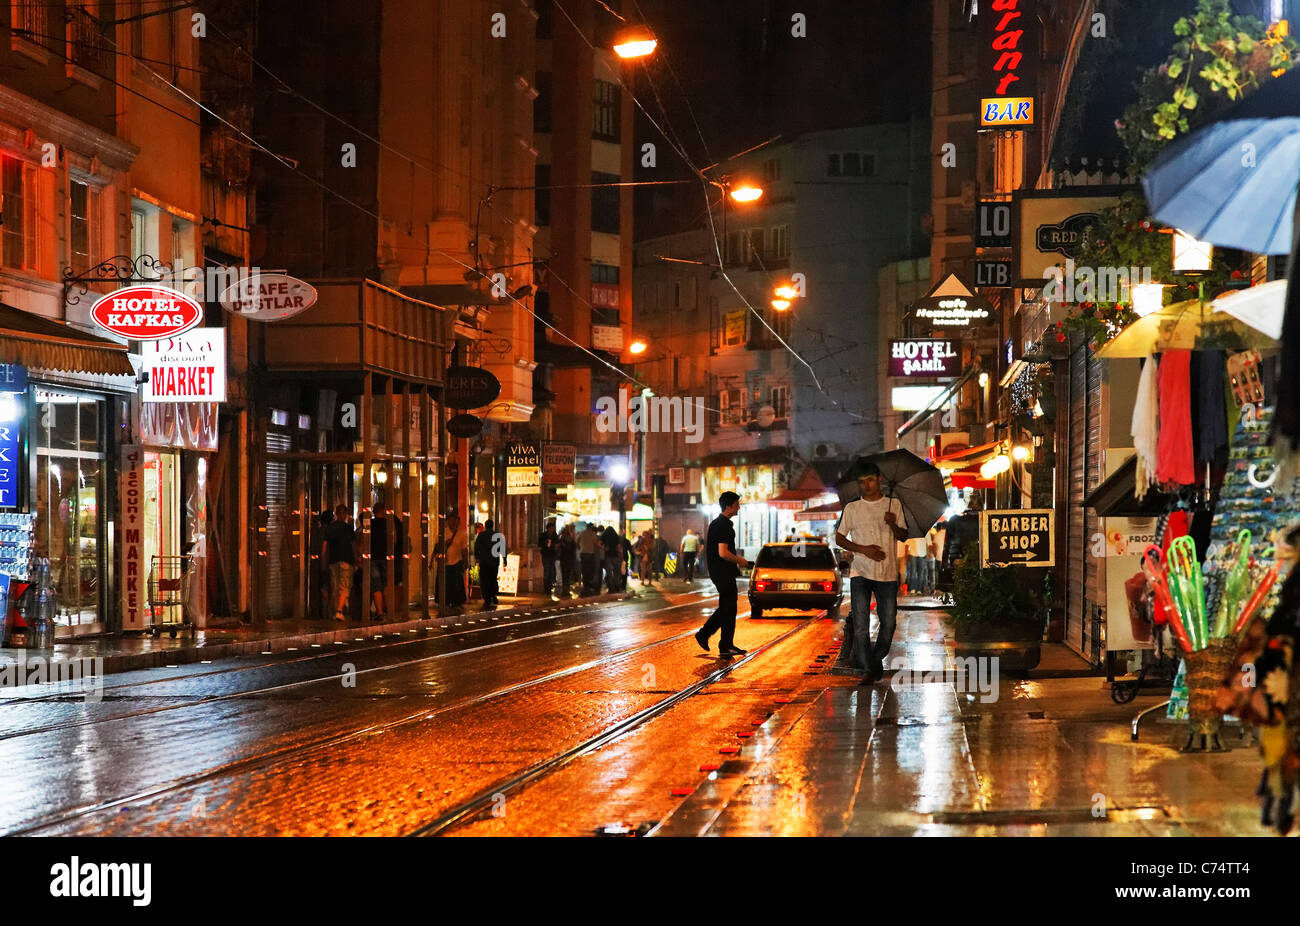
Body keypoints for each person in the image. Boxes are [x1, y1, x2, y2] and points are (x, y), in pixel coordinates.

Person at [835, 463, 909, 685]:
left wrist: (893, 524)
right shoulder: (852, 508)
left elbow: (903, 536)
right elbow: (839, 538)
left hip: (887, 574)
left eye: (870, 480)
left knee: (889, 623)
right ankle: (868, 670)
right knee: (861, 625)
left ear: (879, 480)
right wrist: (863, 549)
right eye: (862, 482)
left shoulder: (894, 505)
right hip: (860, 572)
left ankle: (874, 661)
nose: (866, 485)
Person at [694, 491, 752, 657]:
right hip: (723, 571)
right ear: (729, 506)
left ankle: (725, 644)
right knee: (728, 607)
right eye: (737, 504)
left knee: (729, 607)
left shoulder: (718, 523)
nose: (739, 508)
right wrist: (740, 560)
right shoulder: (723, 526)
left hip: (720, 571)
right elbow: (723, 552)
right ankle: (707, 635)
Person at [321, 503, 356, 621]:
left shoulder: (330, 528)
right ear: (345, 514)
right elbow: (353, 545)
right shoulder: (348, 528)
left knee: (335, 586)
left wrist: (323, 561)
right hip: (346, 560)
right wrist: (356, 558)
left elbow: (325, 547)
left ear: (336, 514)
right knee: (344, 586)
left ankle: (335, 610)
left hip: (333, 561)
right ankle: (339, 611)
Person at [439, 513, 469, 612]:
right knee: (447, 583)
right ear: (448, 522)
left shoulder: (462, 533)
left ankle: (457, 602)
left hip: (457, 561)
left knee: (457, 582)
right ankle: (446, 602)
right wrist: (445, 543)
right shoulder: (443, 533)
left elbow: (464, 549)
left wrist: (466, 561)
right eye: (451, 521)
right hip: (446, 562)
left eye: (455, 521)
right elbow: (437, 546)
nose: (453, 523)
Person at [474, 518, 501, 610]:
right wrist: (504, 559)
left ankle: (487, 598)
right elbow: (502, 548)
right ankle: (493, 595)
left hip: (484, 562)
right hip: (494, 562)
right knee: (493, 579)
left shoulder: (481, 535)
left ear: (485, 526)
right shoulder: (497, 535)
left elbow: (476, 547)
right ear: (492, 526)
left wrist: (477, 557)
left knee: (485, 580)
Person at [578, 522, 602, 595]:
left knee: (584, 570)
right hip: (590, 554)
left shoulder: (582, 533)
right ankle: (588, 587)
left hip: (583, 553)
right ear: (591, 527)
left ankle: (585, 586)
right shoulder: (592, 534)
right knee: (590, 571)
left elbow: (577, 541)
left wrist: (581, 547)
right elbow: (596, 543)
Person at [539, 519, 560, 599]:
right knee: (547, 571)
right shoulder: (544, 535)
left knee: (551, 571)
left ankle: (550, 586)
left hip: (552, 555)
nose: (553, 529)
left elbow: (557, 543)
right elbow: (540, 544)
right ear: (548, 528)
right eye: (552, 528)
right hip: (546, 555)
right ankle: (546, 588)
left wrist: (556, 546)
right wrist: (546, 543)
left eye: (553, 528)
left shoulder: (555, 535)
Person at [601, 524, 623, 592]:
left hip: (607, 556)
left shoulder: (604, 537)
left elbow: (599, 544)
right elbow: (619, 547)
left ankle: (610, 587)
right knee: (616, 572)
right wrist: (621, 556)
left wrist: (604, 548)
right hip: (615, 556)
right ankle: (617, 586)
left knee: (609, 573)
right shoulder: (616, 537)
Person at [557, 523, 577, 598]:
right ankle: (565, 590)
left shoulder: (567, 541)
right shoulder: (565, 541)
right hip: (566, 560)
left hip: (566, 560)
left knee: (566, 576)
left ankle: (566, 590)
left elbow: (573, 549)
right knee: (566, 576)